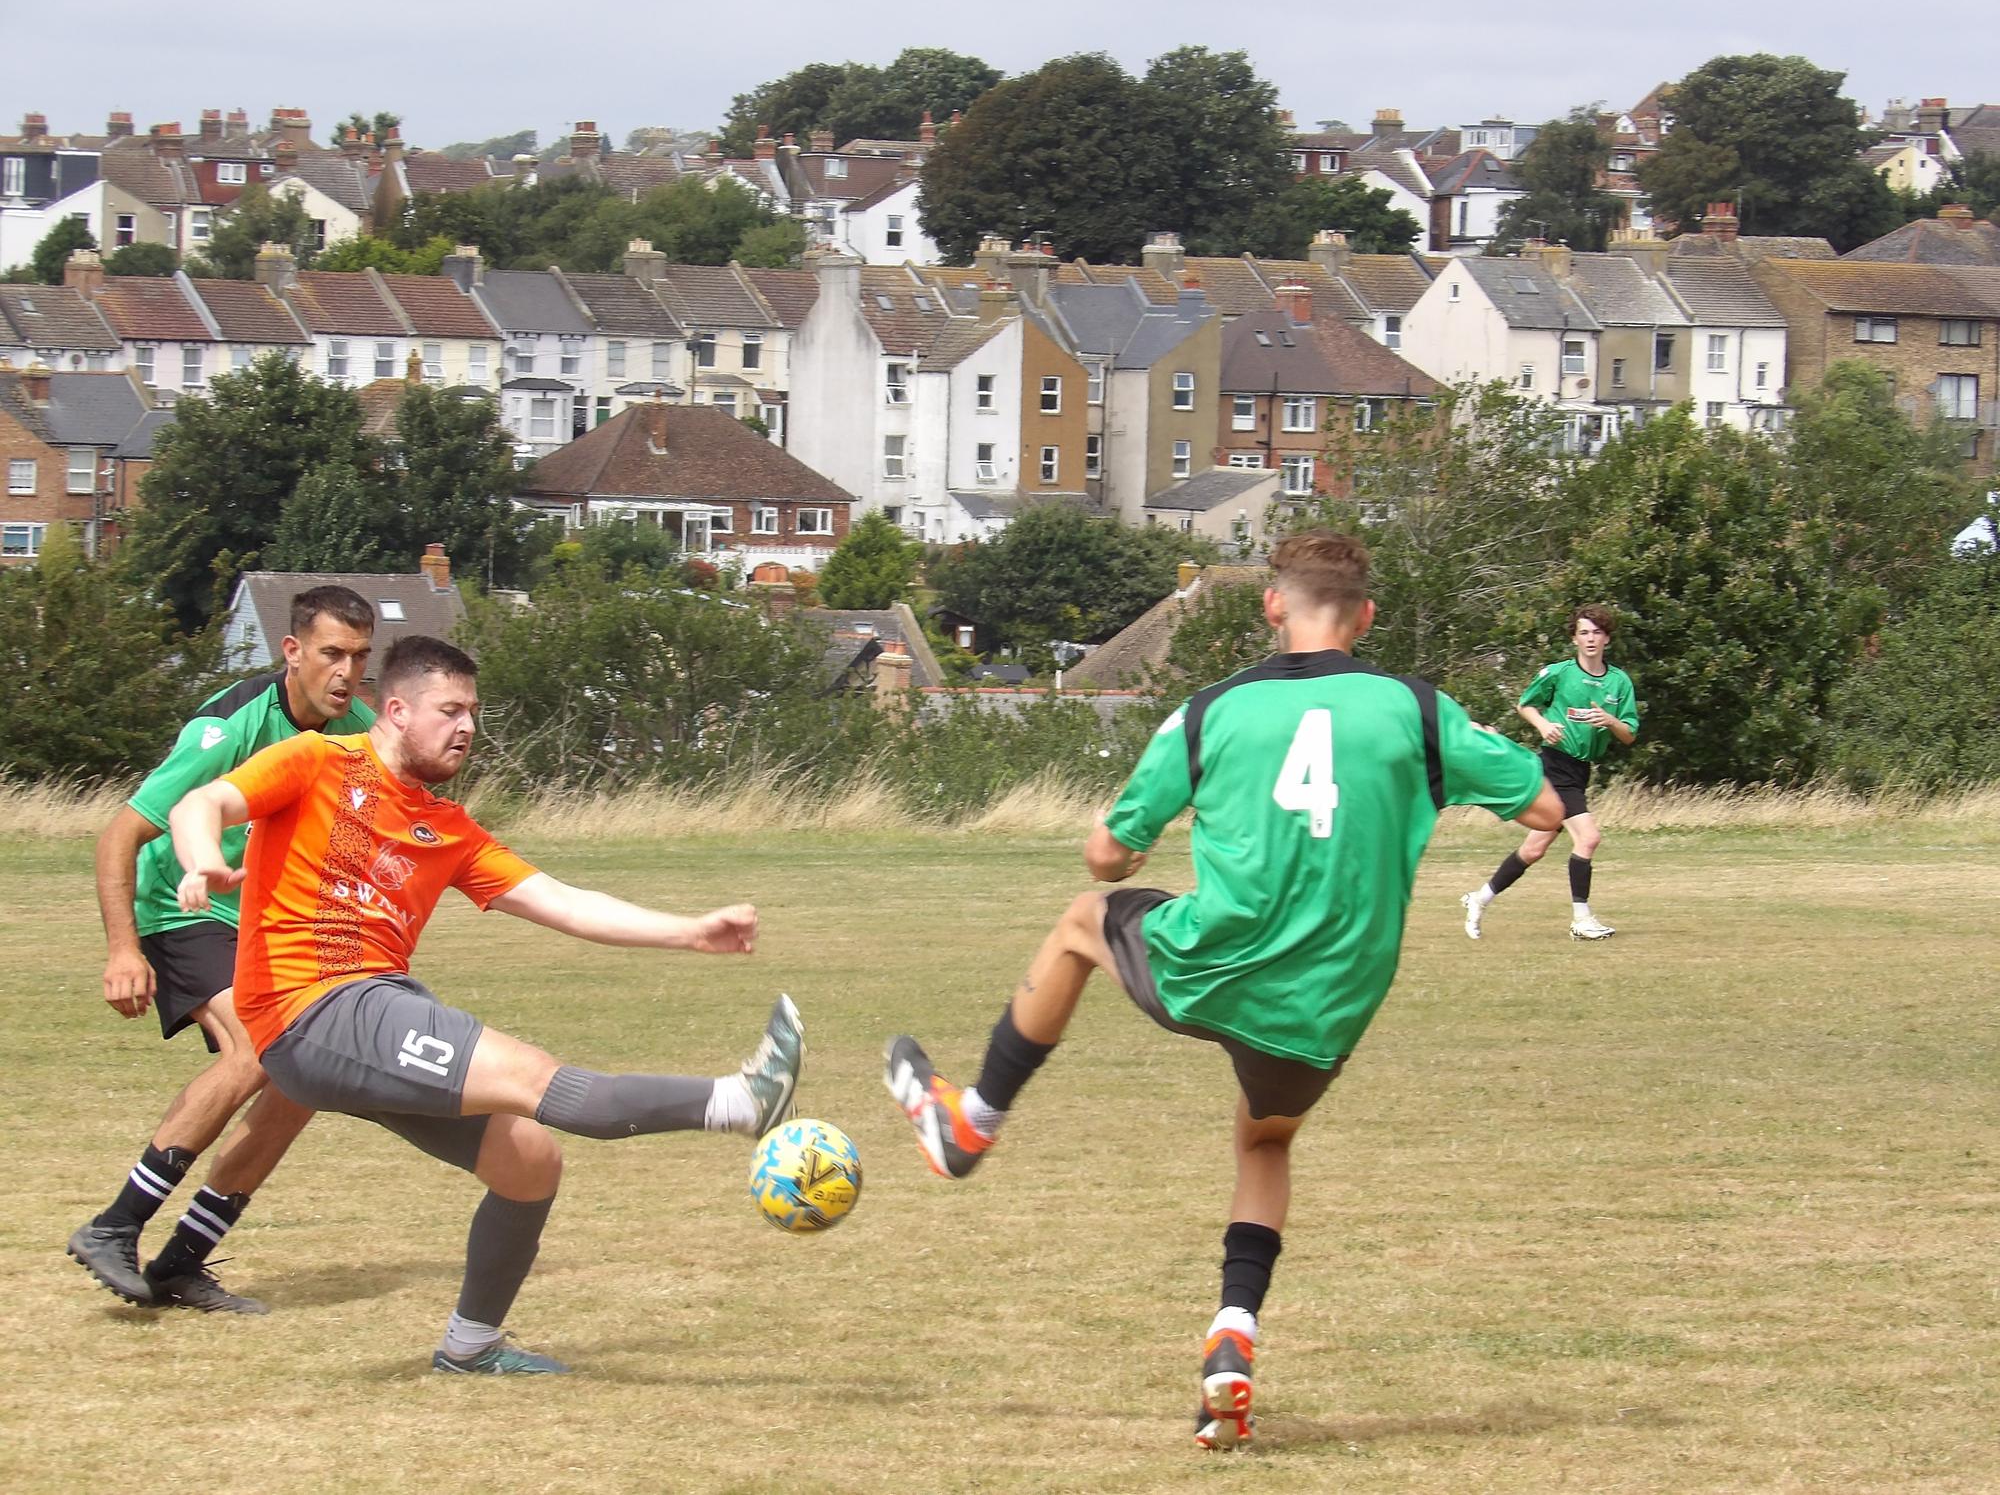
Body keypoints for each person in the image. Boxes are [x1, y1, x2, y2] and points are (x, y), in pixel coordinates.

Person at [883, 532, 1563, 1449]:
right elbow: (1545, 809)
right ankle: (1232, 1339)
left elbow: (1107, 852)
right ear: (1363, 618)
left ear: (1272, 605)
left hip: (1214, 962)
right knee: (1265, 1141)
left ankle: (973, 1123)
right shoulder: (1418, 709)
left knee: (1086, 919)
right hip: (1330, 999)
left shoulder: (1210, 713)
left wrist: (1128, 842)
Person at [167, 634, 803, 1375]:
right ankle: (740, 1101)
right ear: (397, 709)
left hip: (369, 1012)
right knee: (539, 1080)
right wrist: (202, 856)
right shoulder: (321, 761)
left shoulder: (449, 828)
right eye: (450, 710)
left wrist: (689, 931)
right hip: (318, 1003)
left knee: (529, 1160)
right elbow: (202, 800)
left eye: (474, 711)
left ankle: (470, 1346)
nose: (467, 726)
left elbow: (563, 902)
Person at [68, 585, 377, 1313]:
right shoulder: (227, 726)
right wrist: (122, 952)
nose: (346, 672)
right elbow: (120, 834)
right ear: (292, 652)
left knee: (306, 1076)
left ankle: (182, 1260)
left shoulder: (359, 736)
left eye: (361, 657)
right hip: (184, 909)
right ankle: (115, 1226)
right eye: (332, 654)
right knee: (254, 1052)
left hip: (267, 920)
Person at [1461, 604, 1639, 942]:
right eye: (1584, 632)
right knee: (1588, 838)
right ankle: (1582, 920)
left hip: (1580, 770)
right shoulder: (1558, 673)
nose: (1590, 638)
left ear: (1607, 639)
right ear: (1574, 638)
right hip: (1556, 766)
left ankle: (1479, 899)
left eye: (1597, 632)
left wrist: (1611, 721)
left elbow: (1629, 733)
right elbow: (1525, 704)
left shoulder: (1619, 682)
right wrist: (1543, 725)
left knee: (1533, 850)